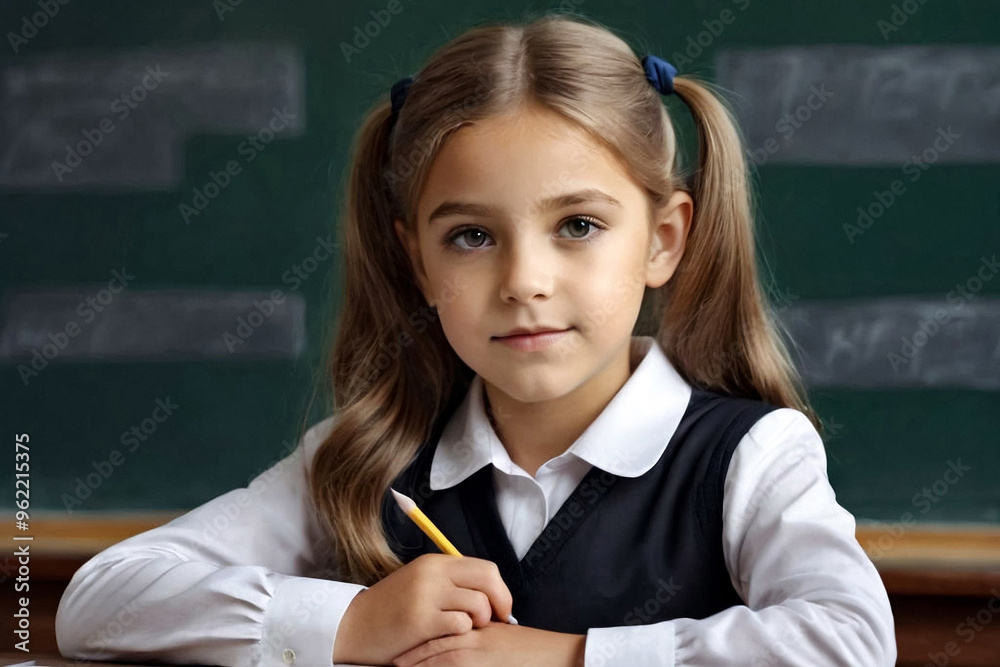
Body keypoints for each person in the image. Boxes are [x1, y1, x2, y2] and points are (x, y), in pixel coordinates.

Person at [55, 12, 896, 667]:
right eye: (470, 236)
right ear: (415, 260)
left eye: (576, 224)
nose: (524, 280)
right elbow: (98, 599)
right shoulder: (365, 459)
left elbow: (852, 641)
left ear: (662, 240)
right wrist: (351, 619)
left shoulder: (751, 456)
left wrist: (570, 654)